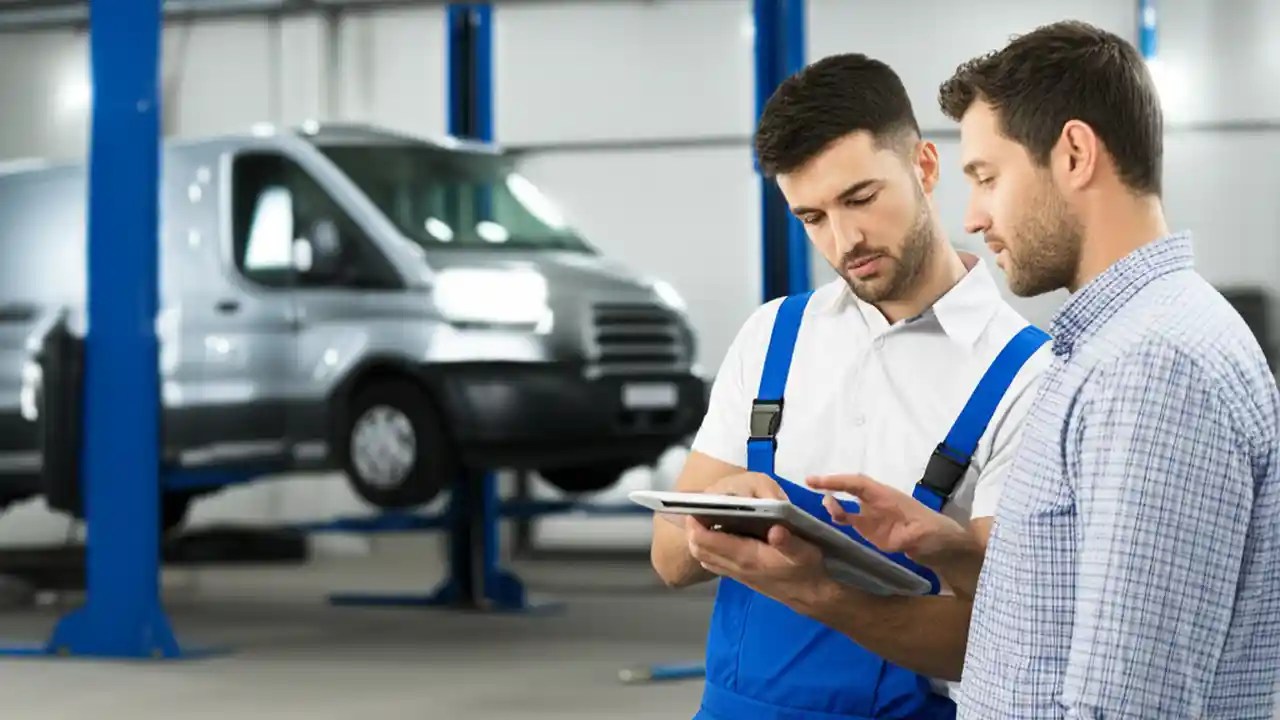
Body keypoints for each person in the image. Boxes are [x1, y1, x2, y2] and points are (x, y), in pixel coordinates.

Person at [813, 21, 1280, 719]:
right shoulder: (1119, 345)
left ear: (1074, 154)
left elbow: (1126, 708)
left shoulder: (1150, 369)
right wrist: (951, 548)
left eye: (987, 177)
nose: (971, 217)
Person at [648, 53, 1052, 720]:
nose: (845, 239)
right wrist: (721, 503)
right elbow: (669, 561)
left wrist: (821, 591)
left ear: (924, 166)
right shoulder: (772, 335)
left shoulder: (1025, 378)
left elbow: (995, 637)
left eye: (860, 199)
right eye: (812, 218)